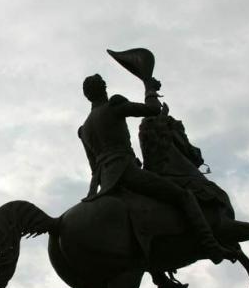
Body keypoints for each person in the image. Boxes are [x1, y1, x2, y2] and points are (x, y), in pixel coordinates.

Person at [78, 74, 232, 265]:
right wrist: (149, 88)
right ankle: (211, 245)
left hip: (105, 182)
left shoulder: (84, 129)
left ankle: (159, 273)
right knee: (183, 195)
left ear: (87, 96)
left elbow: (94, 168)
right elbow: (152, 110)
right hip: (126, 171)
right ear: (104, 89)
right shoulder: (114, 106)